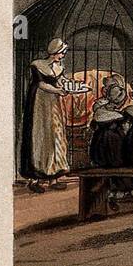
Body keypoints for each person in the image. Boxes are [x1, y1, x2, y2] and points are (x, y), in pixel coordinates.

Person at [19, 37, 88, 191]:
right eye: (61, 53)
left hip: (53, 103)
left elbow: (61, 80)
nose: (63, 55)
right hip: (39, 103)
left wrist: (77, 86)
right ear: (54, 52)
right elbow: (41, 84)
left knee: (55, 134)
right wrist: (58, 90)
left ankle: (53, 178)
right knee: (40, 136)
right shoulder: (38, 65)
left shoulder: (58, 67)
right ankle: (35, 180)